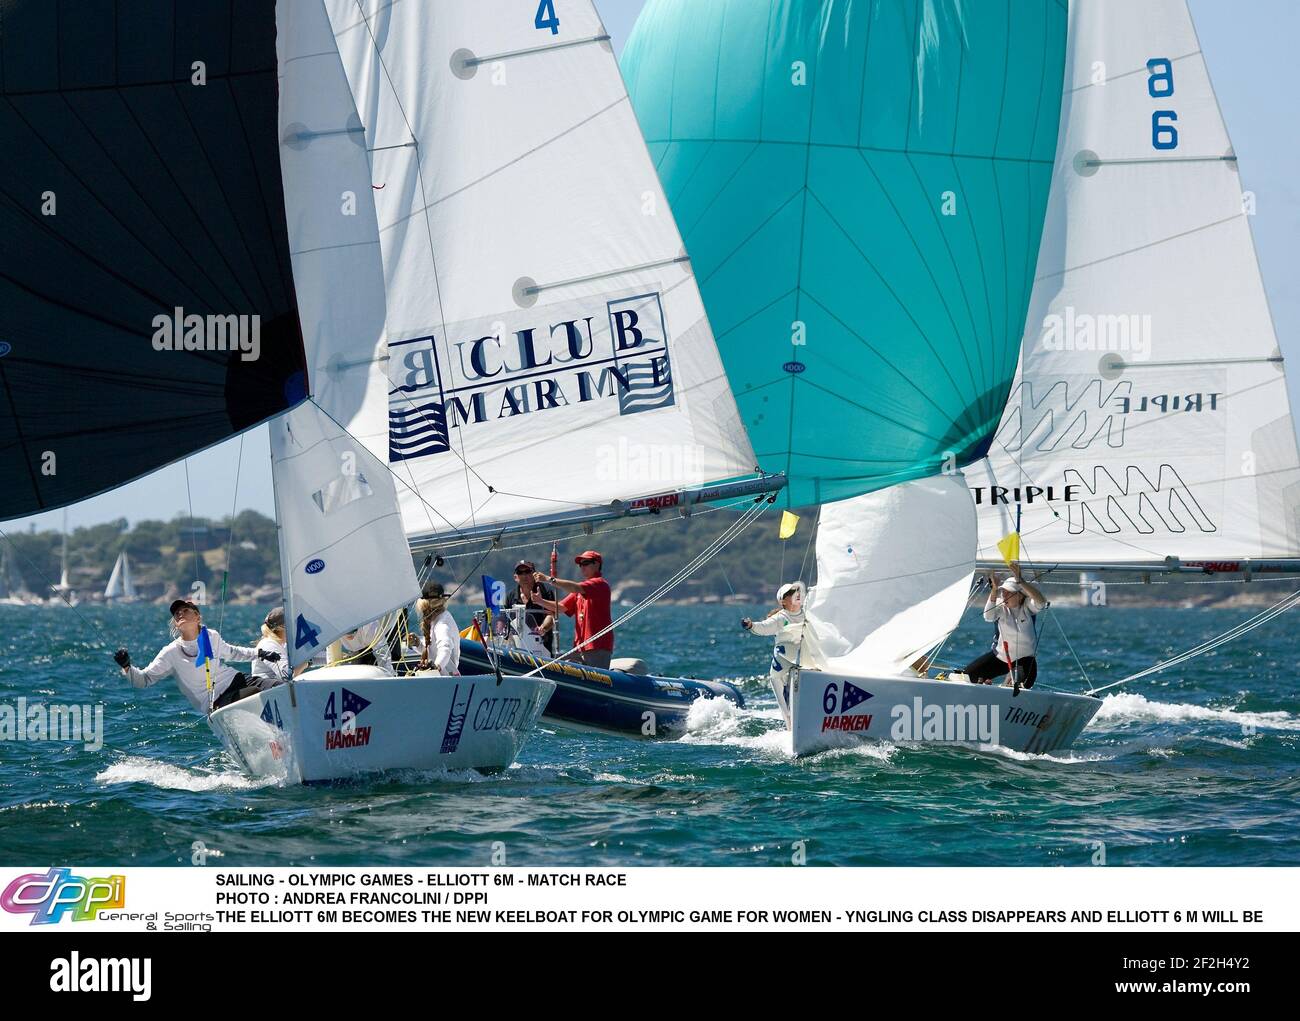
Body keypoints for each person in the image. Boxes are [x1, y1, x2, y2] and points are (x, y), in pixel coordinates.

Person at [112, 599, 259, 713]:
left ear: (197, 617)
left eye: (185, 610)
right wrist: (126, 666)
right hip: (217, 701)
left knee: (278, 685)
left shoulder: (211, 635)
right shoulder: (171, 653)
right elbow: (144, 680)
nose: (180, 614)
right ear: (176, 624)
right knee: (255, 694)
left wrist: (260, 654)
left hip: (237, 680)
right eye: (177, 614)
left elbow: (233, 652)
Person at [742, 581, 822, 723]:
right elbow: (764, 627)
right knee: (787, 710)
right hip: (781, 670)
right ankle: (790, 726)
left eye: (796, 591)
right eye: (791, 593)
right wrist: (750, 625)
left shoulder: (809, 614)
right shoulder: (780, 617)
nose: (796, 594)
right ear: (783, 601)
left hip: (805, 664)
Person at [964, 564, 1049, 693]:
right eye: (1003, 591)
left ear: (1020, 595)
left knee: (1022, 688)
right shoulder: (1000, 604)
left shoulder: (1028, 607)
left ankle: (1008, 682)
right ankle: (989, 687)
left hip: (1024, 660)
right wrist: (994, 591)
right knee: (967, 676)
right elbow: (988, 616)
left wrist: (1021, 581)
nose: (1004, 595)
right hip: (1001, 658)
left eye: (1009, 592)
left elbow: (1041, 602)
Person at [530, 550, 613, 669]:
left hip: (597, 646)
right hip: (580, 647)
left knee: (595, 679)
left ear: (597, 564)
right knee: (556, 666)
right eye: (580, 564)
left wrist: (549, 579)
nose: (582, 567)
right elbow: (561, 608)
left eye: (586, 563)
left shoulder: (600, 584)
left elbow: (575, 587)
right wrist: (540, 601)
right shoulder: (581, 590)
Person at [504, 561, 555, 653]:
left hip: (541, 646)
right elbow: (505, 618)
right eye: (520, 573)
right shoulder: (511, 595)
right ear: (515, 577)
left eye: (527, 571)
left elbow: (551, 615)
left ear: (535, 574)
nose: (524, 576)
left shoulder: (546, 592)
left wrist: (543, 628)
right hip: (516, 646)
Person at [250, 607, 307, 688]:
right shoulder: (268, 645)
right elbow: (287, 675)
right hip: (267, 693)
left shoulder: (283, 644)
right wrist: (307, 663)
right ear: (283, 627)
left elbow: (313, 657)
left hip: (277, 690)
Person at [416, 581, 460, 675]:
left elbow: (445, 648)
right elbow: (432, 652)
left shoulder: (442, 623)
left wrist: (436, 667)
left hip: (445, 681)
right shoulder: (436, 619)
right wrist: (417, 644)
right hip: (443, 678)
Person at [330, 616, 395, 675]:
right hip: (353, 647)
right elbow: (333, 657)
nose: (350, 635)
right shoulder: (334, 630)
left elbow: (383, 654)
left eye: (352, 632)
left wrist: (389, 673)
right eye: (347, 633)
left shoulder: (372, 626)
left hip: (381, 630)